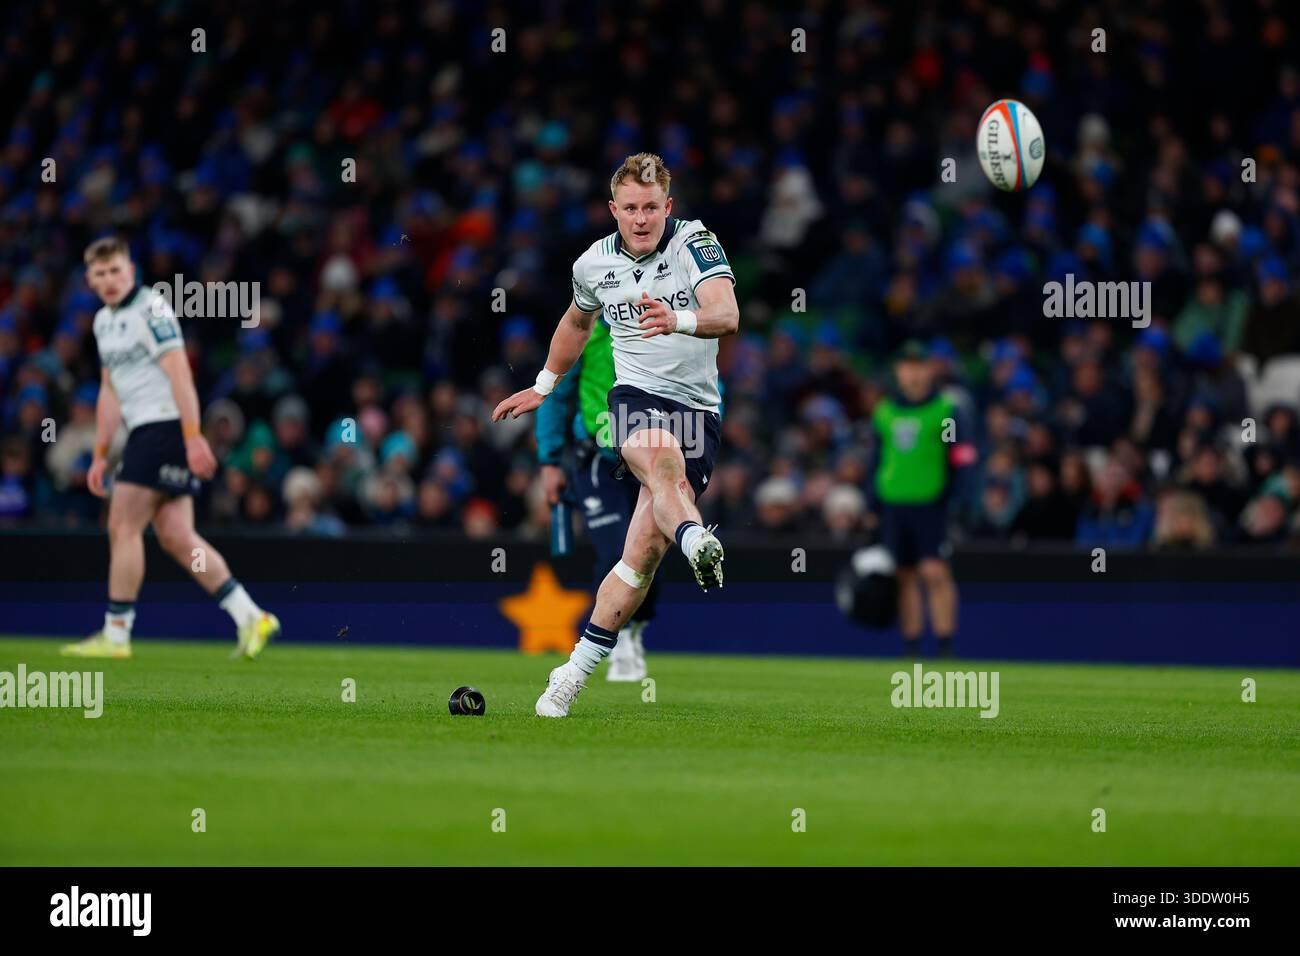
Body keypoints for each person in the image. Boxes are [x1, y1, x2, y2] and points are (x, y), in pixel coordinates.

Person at [492, 153, 739, 717]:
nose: (641, 218)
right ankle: (698, 540)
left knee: (642, 555)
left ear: (668, 206)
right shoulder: (593, 265)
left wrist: (675, 319)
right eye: (630, 208)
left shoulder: (695, 244)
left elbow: (728, 313)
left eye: (651, 207)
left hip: (699, 410)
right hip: (635, 400)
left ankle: (571, 672)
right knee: (661, 462)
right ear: (613, 210)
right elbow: (576, 323)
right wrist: (544, 385)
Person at [61, 236, 280, 660]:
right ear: (90, 279)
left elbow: (180, 373)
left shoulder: (152, 309)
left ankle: (117, 634)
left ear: (132, 271)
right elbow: (109, 391)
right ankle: (251, 615)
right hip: (152, 432)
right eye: (100, 273)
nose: (109, 280)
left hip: (163, 428)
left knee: (122, 527)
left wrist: (193, 434)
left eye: (116, 271)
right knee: (178, 537)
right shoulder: (104, 323)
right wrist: (102, 453)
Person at [535, 314, 660, 681]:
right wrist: (550, 461)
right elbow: (557, 391)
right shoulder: (587, 330)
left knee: (650, 550)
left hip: (652, 458)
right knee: (616, 548)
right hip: (598, 458)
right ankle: (615, 638)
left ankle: (634, 629)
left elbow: (704, 388)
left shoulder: (662, 326)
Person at [870, 341, 972, 656]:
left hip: (931, 502)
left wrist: (959, 498)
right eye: (906, 366)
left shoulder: (945, 411)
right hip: (894, 503)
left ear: (929, 370)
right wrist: (872, 502)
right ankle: (911, 645)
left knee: (935, 571)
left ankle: (945, 644)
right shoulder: (884, 412)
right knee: (904, 574)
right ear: (898, 371)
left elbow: (960, 456)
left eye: (918, 366)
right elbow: (876, 460)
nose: (913, 373)